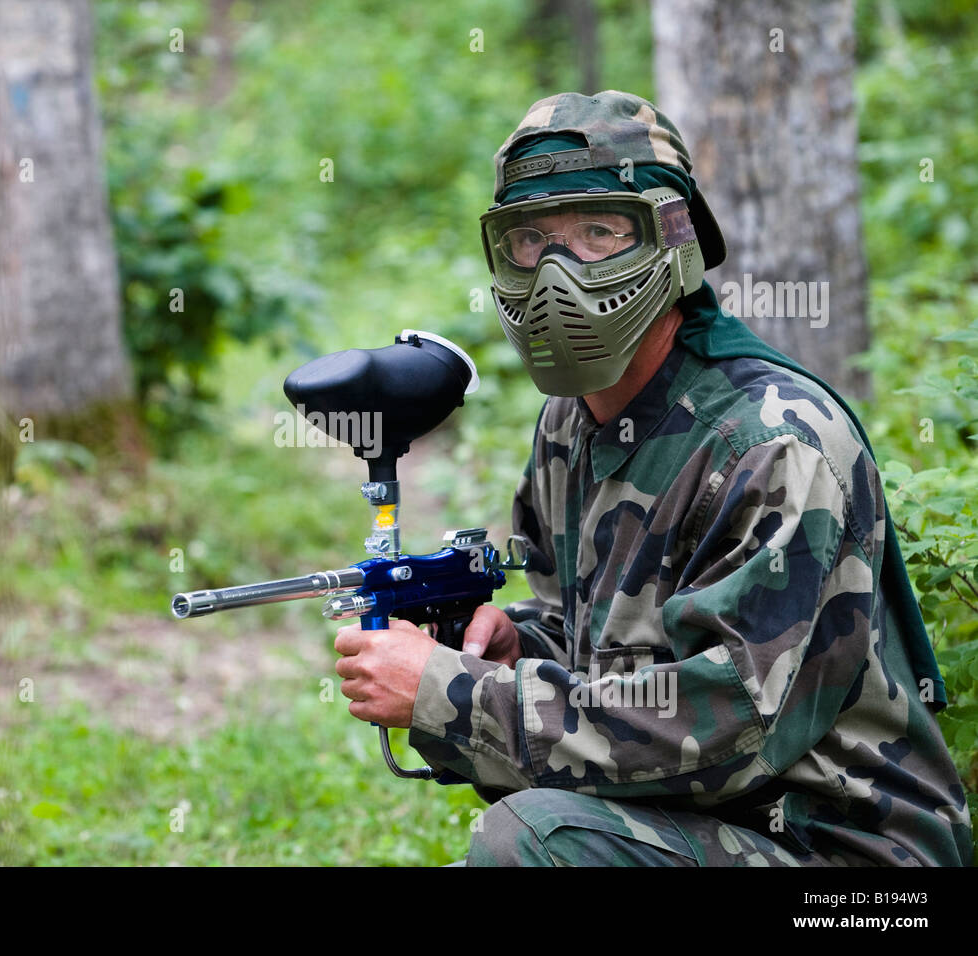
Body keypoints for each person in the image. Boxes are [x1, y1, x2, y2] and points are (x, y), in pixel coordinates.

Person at [333, 90, 972, 866]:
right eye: (531, 241)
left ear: (674, 242)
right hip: (712, 826)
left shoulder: (774, 441)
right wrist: (504, 649)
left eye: (600, 233)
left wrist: (452, 695)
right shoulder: (571, 421)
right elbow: (592, 646)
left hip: (848, 857)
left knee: (532, 841)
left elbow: (728, 726)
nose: (559, 273)